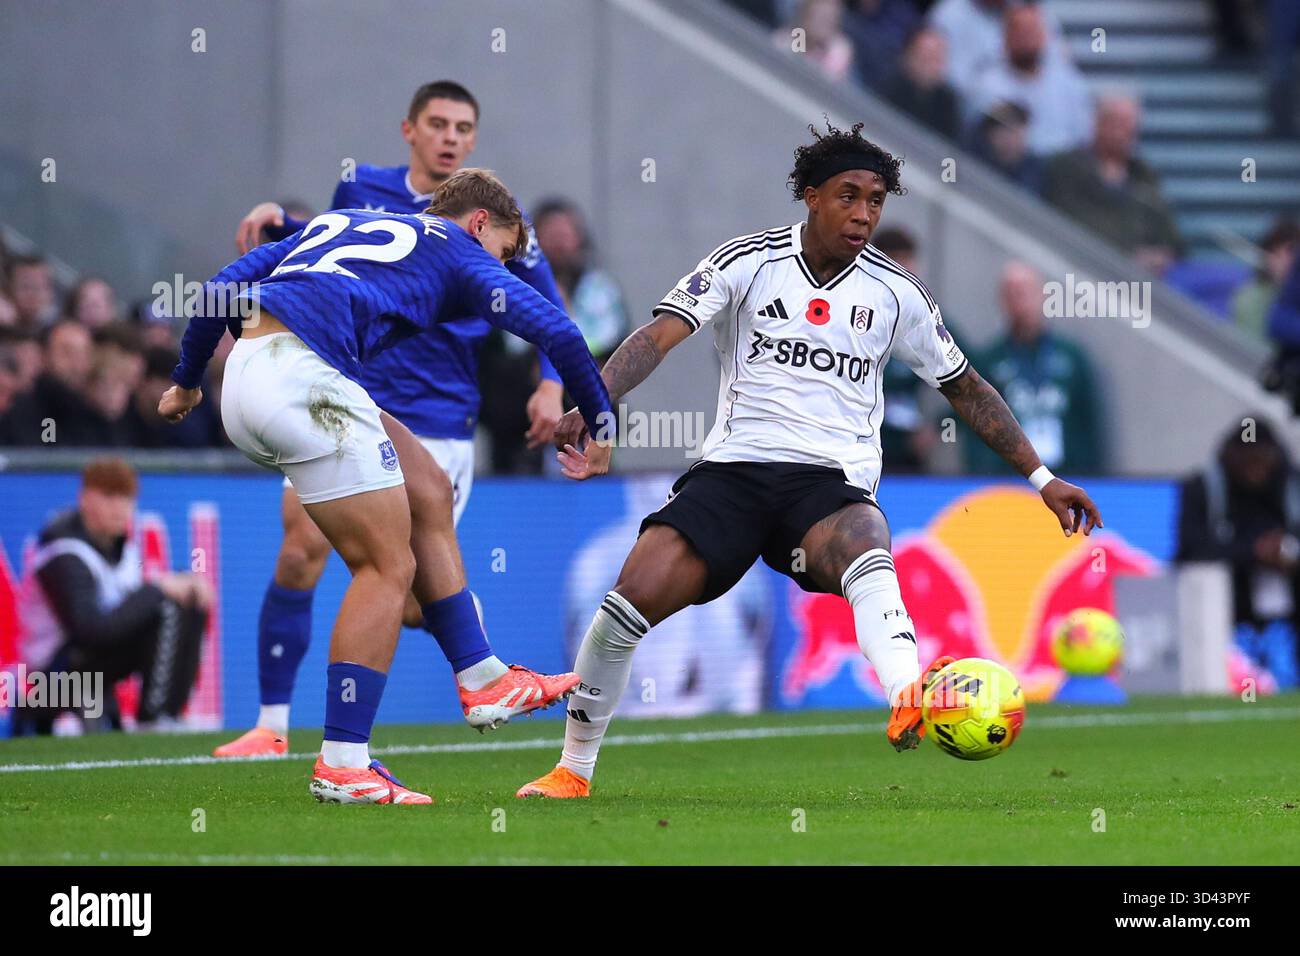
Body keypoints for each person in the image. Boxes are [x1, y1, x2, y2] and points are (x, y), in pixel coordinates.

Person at [515, 122, 1102, 798]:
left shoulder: (896, 293)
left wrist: (1043, 478)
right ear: (810, 194)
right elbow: (657, 337)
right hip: (733, 474)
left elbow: (966, 387)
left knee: (865, 537)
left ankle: (908, 691)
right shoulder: (748, 262)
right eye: (848, 196)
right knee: (624, 605)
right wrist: (594, 401)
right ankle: (573, 770)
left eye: (876, 201)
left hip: (828, 485)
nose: (863, 215)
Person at [159, 168, 613, 805]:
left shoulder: (341, 219)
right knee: (387, 566)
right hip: (303, 380)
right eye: (506, 255)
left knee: (426, 485)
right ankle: (343, 762)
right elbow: (561, 332)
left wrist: (186, 379)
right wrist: (602, 423)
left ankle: (483, 676)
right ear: (480, 223)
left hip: (250, 373)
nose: (504, 271)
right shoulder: (459, 249)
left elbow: (224, 285)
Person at [215, 81, 574, 758]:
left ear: (473, 140)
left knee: (402, 587)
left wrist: (552, 386)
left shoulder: (494, 222)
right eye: (437, 124)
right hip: (345, 395)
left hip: (439, 416)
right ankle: (273, 726)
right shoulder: (363, 191)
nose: (449, 137)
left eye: (462, 128)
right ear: (408, 130)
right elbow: (322, 250)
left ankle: (464, 647)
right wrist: (279, 222)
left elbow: (548, 304)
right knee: (302, 549)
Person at [14, 457, 210, 734]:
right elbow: (90, 630)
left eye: (126, 498)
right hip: (51, 672)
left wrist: (184, 583)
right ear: (84, 499)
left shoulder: (119, 547)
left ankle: (171, 712)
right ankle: (153, 718)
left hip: (90, 658)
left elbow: (125, 610)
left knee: (186, 600)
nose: (120, 507)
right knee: (164, 604)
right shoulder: (63, 551)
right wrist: (157, 589)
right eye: (109, 496)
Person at [1176, 418, 1300, 687]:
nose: (1255, 470)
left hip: (1288, 616)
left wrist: (1287, 552)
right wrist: (1252, 552)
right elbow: (1189, 548)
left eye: (1262, 460)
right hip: (1227, 614)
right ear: (1232, 456)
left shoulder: (1291, 486)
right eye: (1249, 460)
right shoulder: (1205, 489)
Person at [961, 261, 1103, 476]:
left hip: (1066, 475)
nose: (1019, 301)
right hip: (1010, 482)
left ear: (1042, 295)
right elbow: (976, 428)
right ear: (1002, 300)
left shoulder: (1072, 357)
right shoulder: (988, 361)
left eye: (1025, 292)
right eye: (1011, 293)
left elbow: (1090, 425)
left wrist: (1092, 476)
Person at [1042, 92, 1182, 275]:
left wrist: (1158, 257)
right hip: (1074, 274)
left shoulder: (1144, 178)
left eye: (1130, 125)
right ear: (1097, 123)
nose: (1123, 132)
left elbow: (1172, 244)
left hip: (1135, 285)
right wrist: (1125, 254)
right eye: (1116, 122)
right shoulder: (1066, 169)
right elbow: (1060, 223)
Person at [969, 4, 1093, 155]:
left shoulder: (1068, 82)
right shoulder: (988, 86)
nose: (1027, 40)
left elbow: (1082, 137)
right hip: (1011, 169)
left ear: (1044, 37)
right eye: (1021, 32)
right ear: (1005, 38)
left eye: (1032, 32)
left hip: (1063, 165)